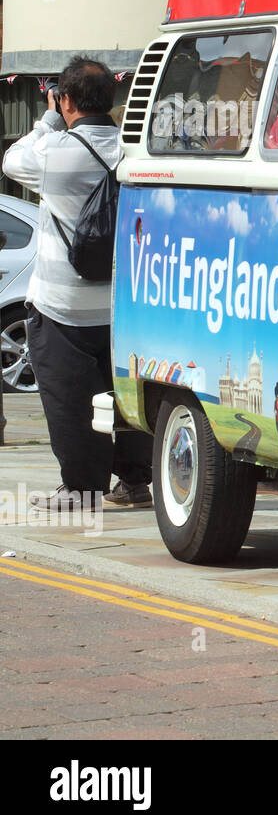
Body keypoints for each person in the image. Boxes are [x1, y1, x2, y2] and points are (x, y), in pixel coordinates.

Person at [2, 58, 152, 511]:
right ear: (113, 98)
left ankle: (81, 489)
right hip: (123, 305)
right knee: (127, 397)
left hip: (62, 305)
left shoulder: (54, 154)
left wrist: (48, 119)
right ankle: (135, 482)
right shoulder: (135, 152)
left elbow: (11, 161)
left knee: (70, 399)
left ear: (65, 100)